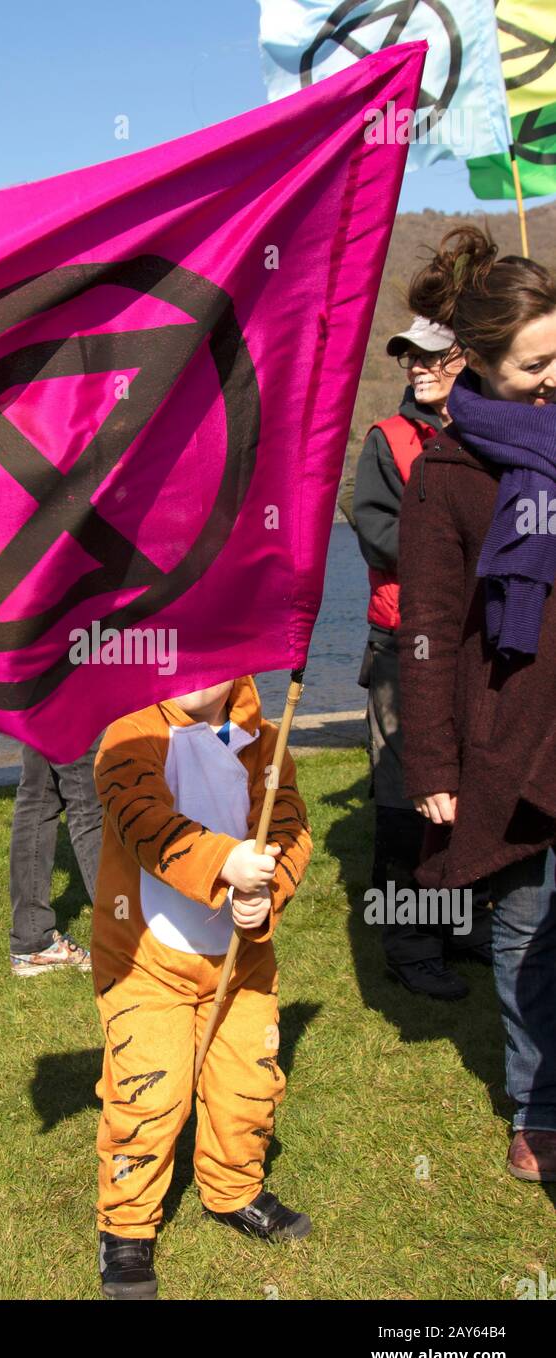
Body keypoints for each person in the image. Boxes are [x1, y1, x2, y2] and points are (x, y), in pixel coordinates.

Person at [398, 224, 556, 1183]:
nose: (553, 377)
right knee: (528, 924)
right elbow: (425, 634)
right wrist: (434, 769)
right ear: (484, 364)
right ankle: (539, 1111)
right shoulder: (447, 476)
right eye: (536, 362)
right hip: (511, 736)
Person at [89, 675, 313, 1299]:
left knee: (247, 1083)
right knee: (148, 1093)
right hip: (145, 961)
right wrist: (224, 863)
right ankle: (127, 1227)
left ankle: (234, 1187)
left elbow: (292, 828)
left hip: (241, 961)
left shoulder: (268, 741)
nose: (189, 670)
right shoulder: (129, 731)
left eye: (209, 654)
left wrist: (267, 893)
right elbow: (140, 818)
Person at [351, 319, 492, 998]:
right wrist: (453, 548)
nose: (420, 367)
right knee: (408, 803)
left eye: (434, 356)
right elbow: (376, 531)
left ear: (467, 358)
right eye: (410, 357)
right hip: (405, 645)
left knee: (464, 794)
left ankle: (457, 923)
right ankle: (409, 946)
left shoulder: (490, 430)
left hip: (479, 645)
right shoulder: (388, 440)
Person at [8, 738, 104, 977]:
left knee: (38, 796)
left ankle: (32, 940)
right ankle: (124, 935)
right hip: (71, 702)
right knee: (87, 800)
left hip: (34, 701)